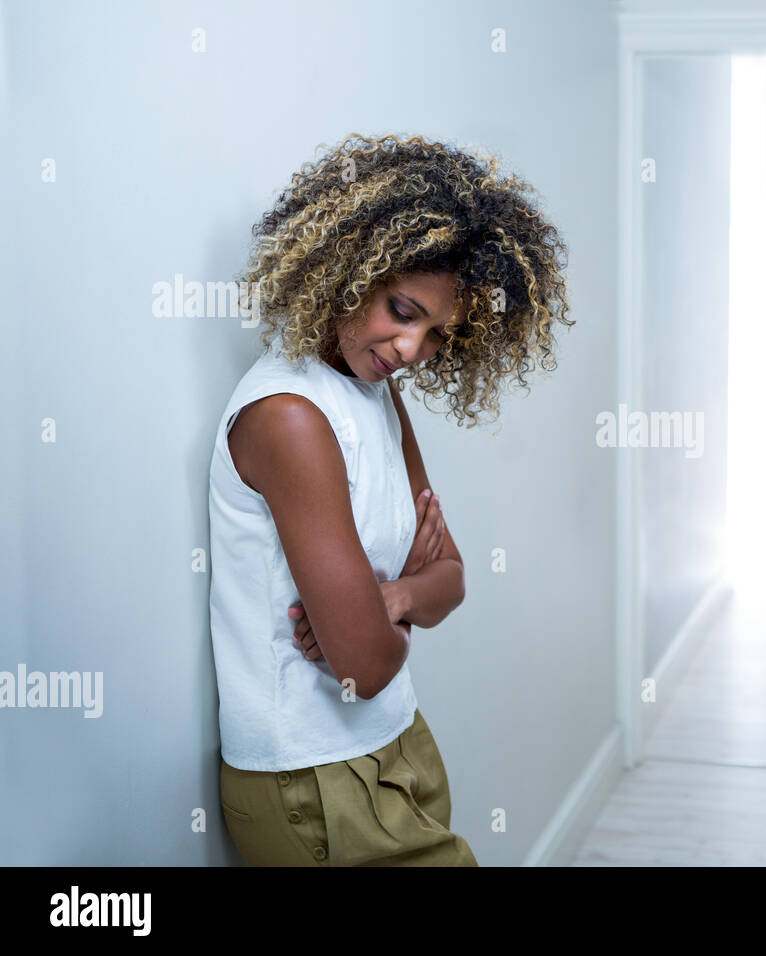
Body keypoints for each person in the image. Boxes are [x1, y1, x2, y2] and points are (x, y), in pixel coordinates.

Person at [208, 133, 572, 865]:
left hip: (396, 742)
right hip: (313, 781)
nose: (413, 349)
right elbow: (363, 668)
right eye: (403, 310)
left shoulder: (373, 396)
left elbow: (453, 582)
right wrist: (393, 616)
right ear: (348, 266)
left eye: (438, 334)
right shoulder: (291, 418)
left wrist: (396, 599)